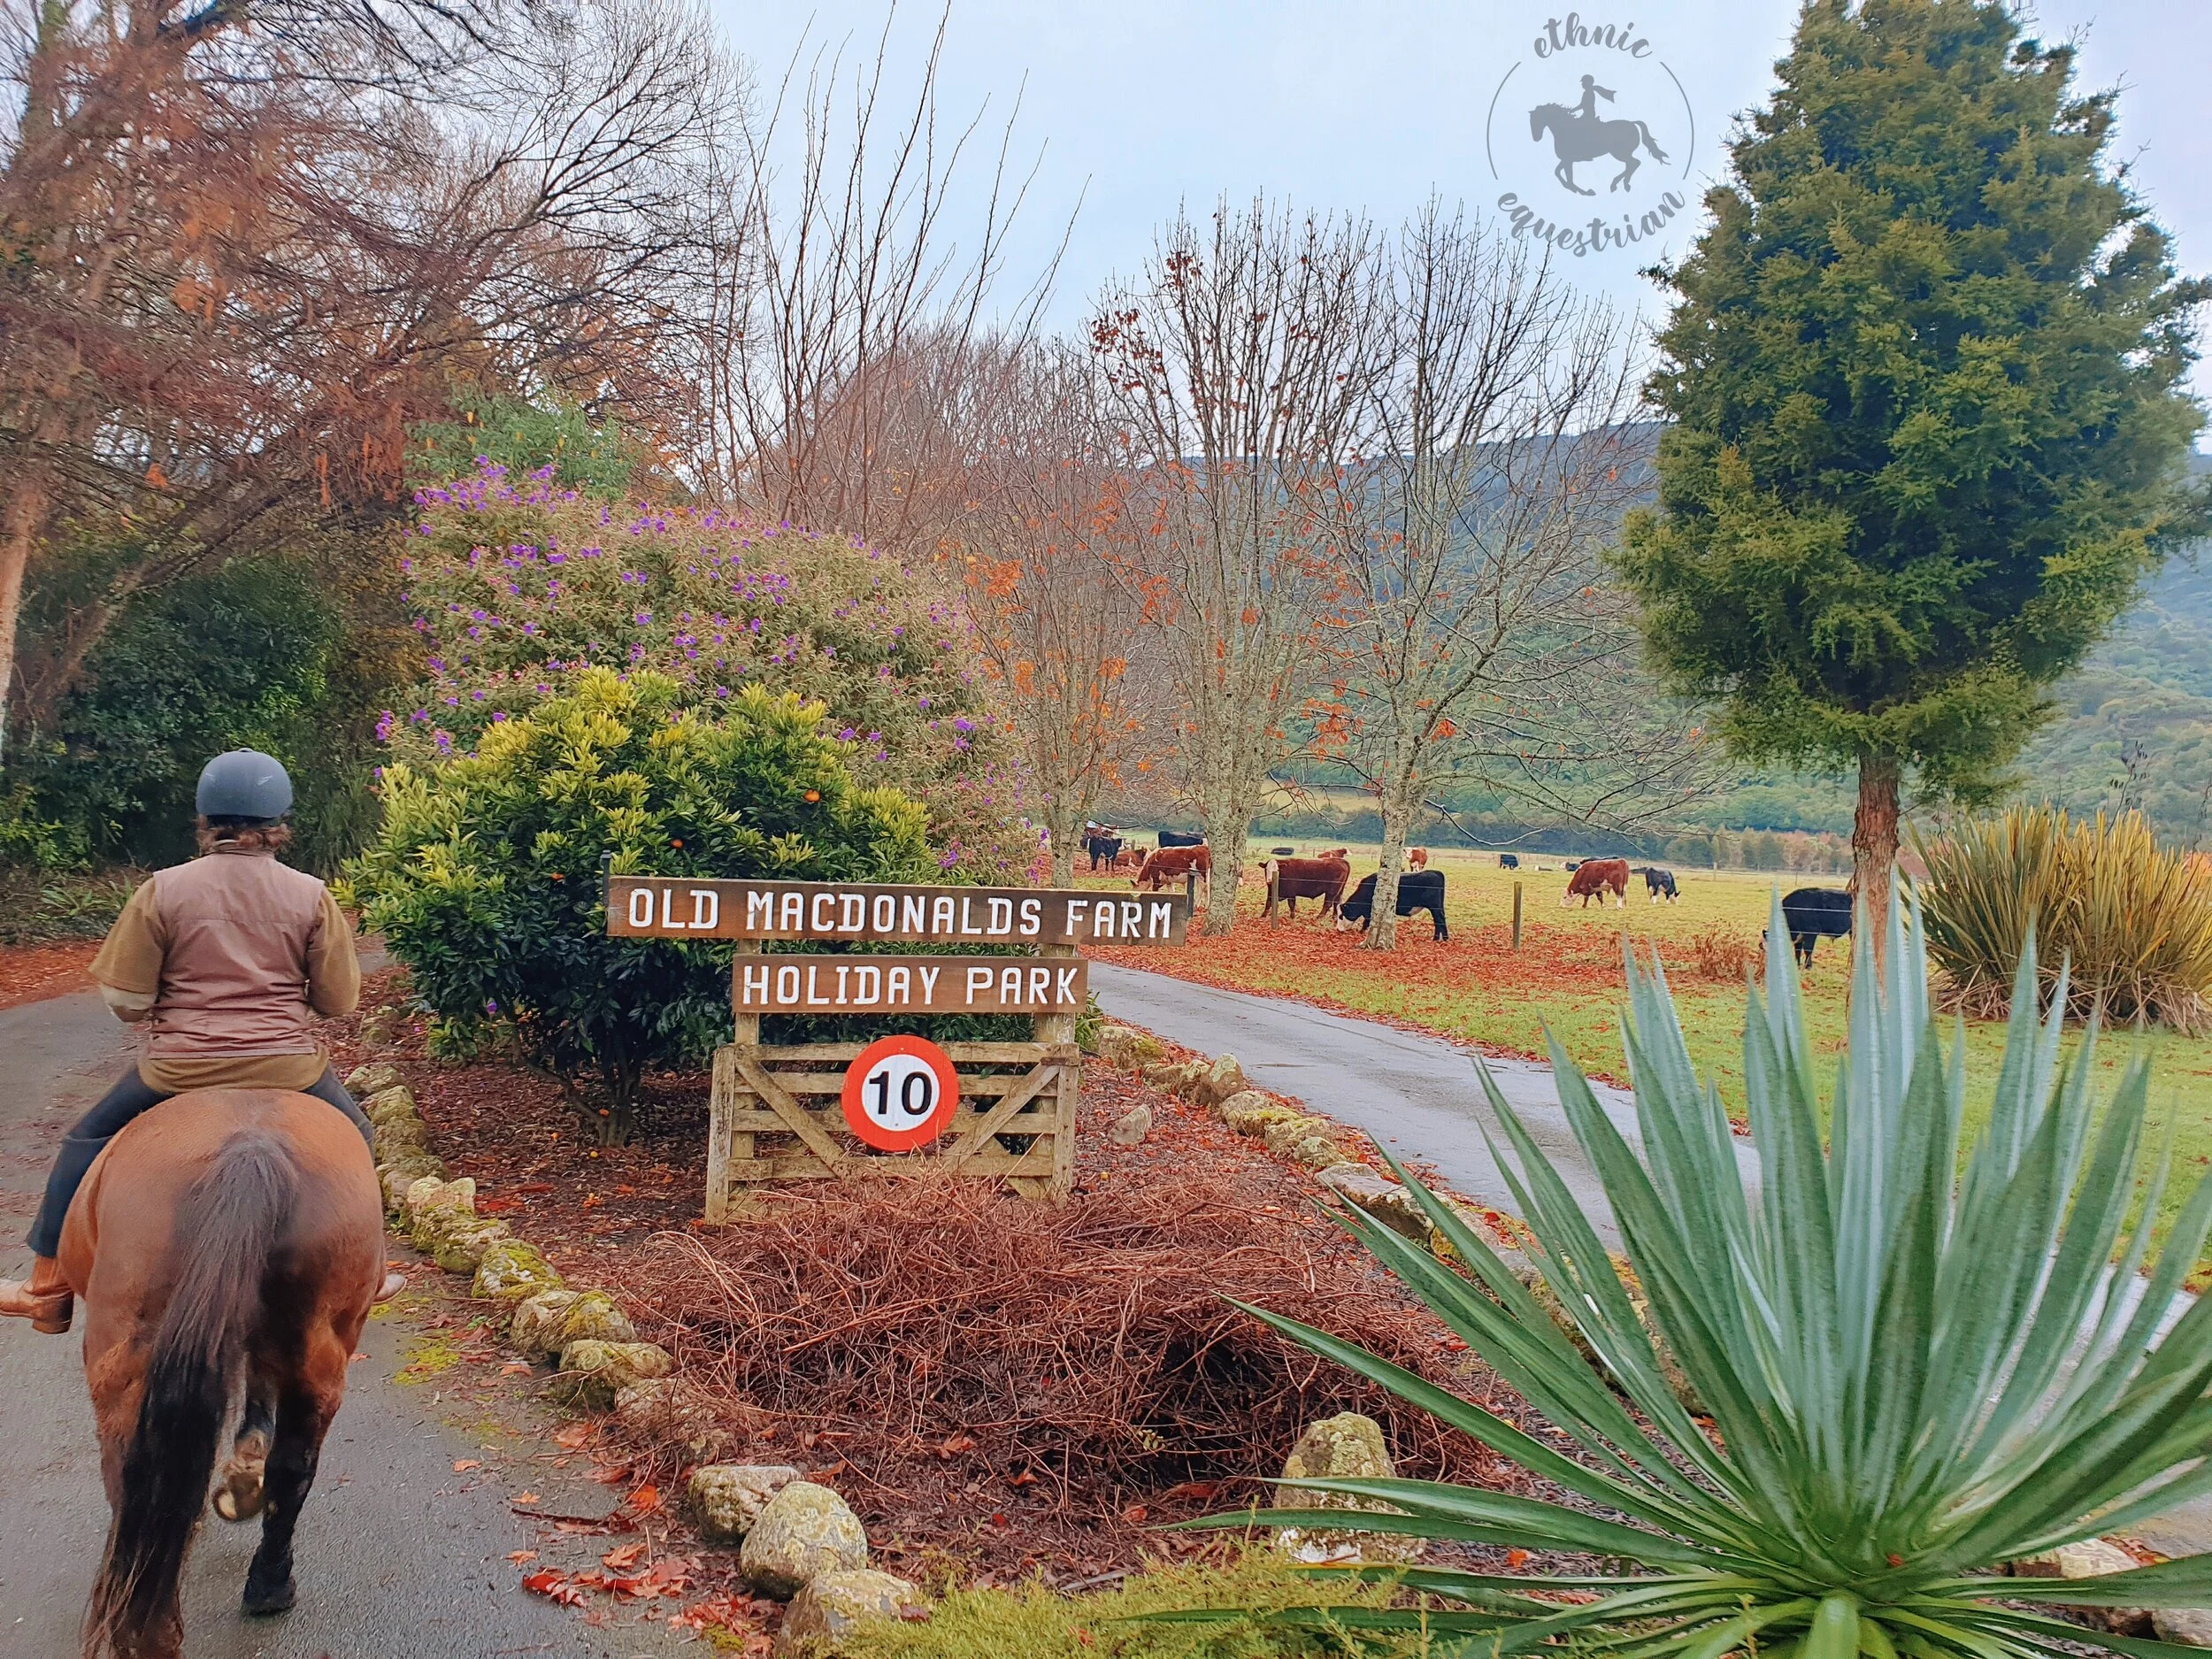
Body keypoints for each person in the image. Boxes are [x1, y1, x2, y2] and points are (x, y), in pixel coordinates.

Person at [0, 750, 403, 1333]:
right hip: (288, 1069)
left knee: (83, 1138)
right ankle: (371, 1270)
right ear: (277, 822)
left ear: (205, 820)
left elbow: (126, 1001)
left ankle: (47, 1287)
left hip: (177, 1070)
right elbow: (338, 1000)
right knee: (359, 1137)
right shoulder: (311, 895)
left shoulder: (162, 891)